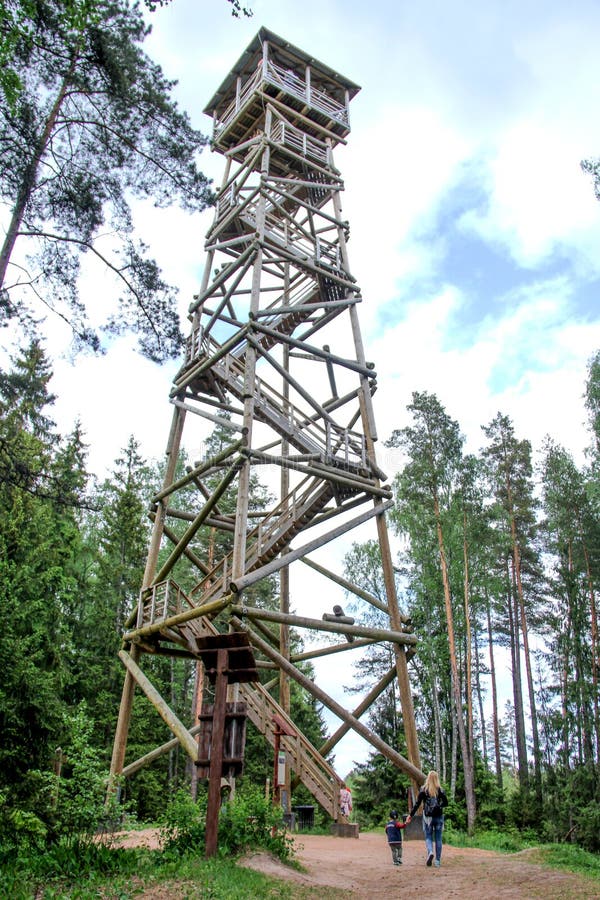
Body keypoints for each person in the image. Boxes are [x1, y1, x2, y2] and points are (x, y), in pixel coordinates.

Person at [406, 770, 448, 868]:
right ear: (437, 779)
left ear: (428, 778)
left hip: (428, 817)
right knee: (438, 838)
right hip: (439, 817)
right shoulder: (440, 790)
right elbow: (446, 803)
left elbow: (417, 804)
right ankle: (437, 861)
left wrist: (410, 816)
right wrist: (439, 805)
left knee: (428, 837)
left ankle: (430, 852)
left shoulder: (423, 789)